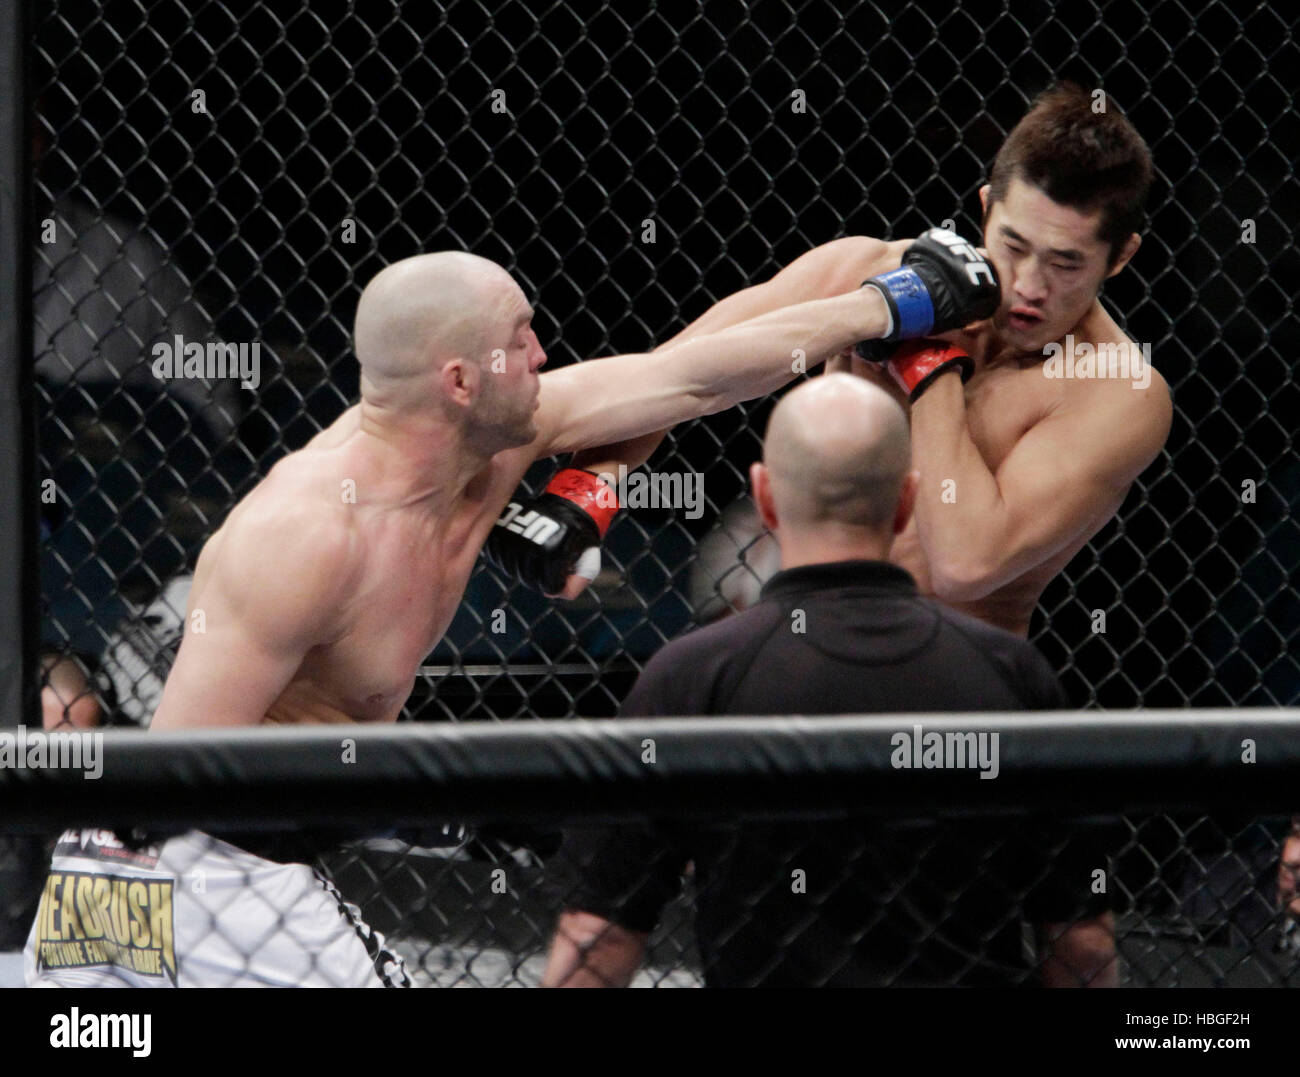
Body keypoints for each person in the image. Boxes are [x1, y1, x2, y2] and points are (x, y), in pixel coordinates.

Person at [26, 232, 1000, 986]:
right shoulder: (307, 534)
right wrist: (437, 810)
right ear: (457, 381)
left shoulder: (489, 448)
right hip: (169, 856)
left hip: (244, 846)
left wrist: (890, 300)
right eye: (519, 339)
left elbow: (693, 373)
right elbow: (184, 786)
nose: (542, 352)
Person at [542, 375, 1117, 988]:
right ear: (906, 501)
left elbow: (598, 942)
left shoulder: (695, 677)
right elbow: (1081, 944)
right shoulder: (1010, 671)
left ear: (765, 498)